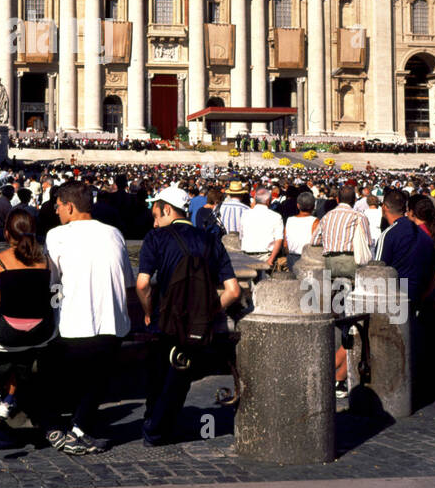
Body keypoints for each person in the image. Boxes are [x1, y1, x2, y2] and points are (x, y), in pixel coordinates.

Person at [136, 186, 240, 446]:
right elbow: (233, 291)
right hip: (198, 324)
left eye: (156, 214)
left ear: (167, 209)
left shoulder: (155, 237)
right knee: (180, 375)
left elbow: (142, 285)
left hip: (165, 319)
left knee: (159, 375)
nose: (154, 220)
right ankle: (160, 425)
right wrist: (206, 312)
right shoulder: (210, 239)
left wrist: (149, 312)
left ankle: (155, 427)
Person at [43, 179, 132, 455]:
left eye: (58, 206)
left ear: (69, 207)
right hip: (113, 323)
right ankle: (80, 428)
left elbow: (52, 280)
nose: (56, 211)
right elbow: (127, 280)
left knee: (56, 376)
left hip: (74, 323)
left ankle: (53, 428)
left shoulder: (56, 235)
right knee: (98, 379)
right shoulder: (114, 233)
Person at [0, 209, 58, 417]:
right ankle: (10, 394)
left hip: (9, 331)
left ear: (6, 233)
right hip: (41, 330)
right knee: (24, 348)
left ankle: (5, 393)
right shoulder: (47, 261)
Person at [378, 190, 435, 309]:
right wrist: (424, 295)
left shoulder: (388, 234)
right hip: (416, 295)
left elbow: (377, 271)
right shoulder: (423, 235)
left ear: (384, 207)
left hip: (394, 298)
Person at [312, 185, 371, 278]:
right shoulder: (359, 216)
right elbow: (368, 242)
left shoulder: (327, 216)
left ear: (337, 200)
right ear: (355, 200)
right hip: (352, 262)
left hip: (330, 263)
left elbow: (314, 241)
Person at [275, 191, 318, 267]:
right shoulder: (315, 222)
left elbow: (285, 244)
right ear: (314, 206)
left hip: (291, 258)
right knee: (326, 273)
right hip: (308, 258)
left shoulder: (289, 220)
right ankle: (326, 279)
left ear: (298, 206)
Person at [238, 186, 283, 257]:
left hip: (247, 255)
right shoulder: (276, 216)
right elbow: (279, 240)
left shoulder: (245, 214)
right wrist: (271, 259)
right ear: (268, 201)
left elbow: (241, 235)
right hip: (266, 255)